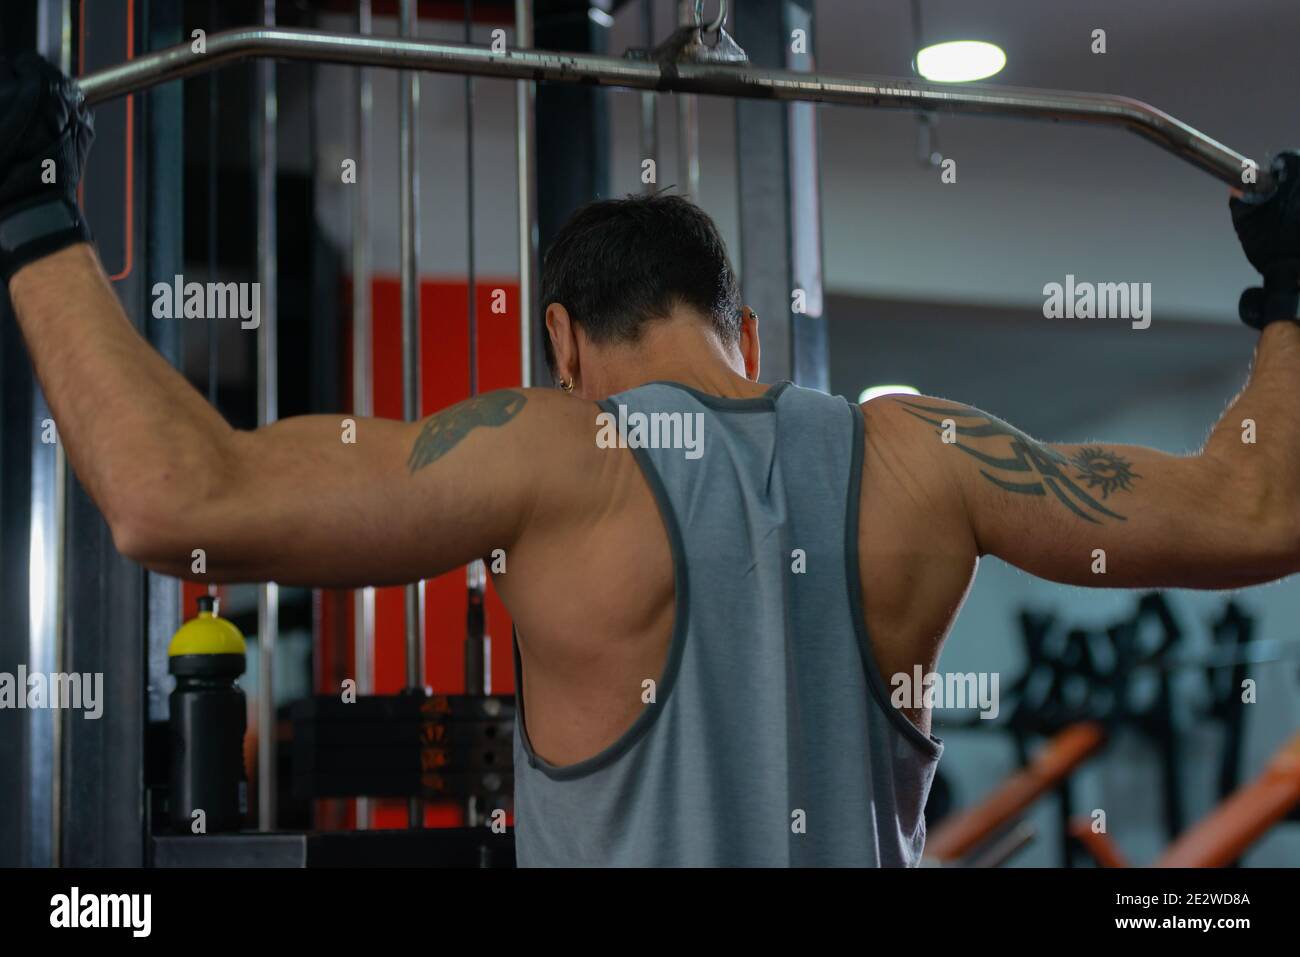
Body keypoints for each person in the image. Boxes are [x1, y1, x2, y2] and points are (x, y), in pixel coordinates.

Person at [3, 53, 1298, 866]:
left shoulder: (552, 451)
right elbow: (1259, 507)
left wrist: (35, 208)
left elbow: (174, 497)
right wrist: (1291, 296)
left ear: (562, 339)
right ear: (733, 325)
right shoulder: (922, 452)